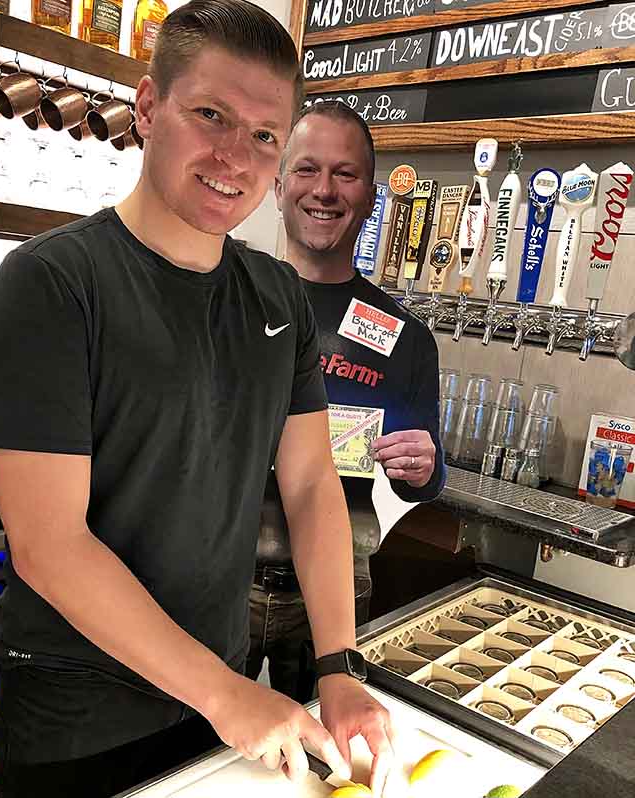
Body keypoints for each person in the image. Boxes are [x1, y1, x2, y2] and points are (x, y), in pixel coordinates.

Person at [0, 6, 394, 797]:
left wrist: (337, 666)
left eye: (266, 135)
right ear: (150, 107)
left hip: (219, 711)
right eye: (211, 115)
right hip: (80, 722)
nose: (236, 155)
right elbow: (48, 545)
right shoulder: (52, 284)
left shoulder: (277, 296)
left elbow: (309, 485)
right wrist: (228, 694)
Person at [247, 101, 445, 701]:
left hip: (335, 589)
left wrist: (424, 466)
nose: (324, 191)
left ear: (371, 195)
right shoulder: (228, 299)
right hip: (219, 573)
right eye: (307, 170)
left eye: (346, 174)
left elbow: (420, 481)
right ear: (278, 185)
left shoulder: (404, 335)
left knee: (324, 758)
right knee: (197, 754)